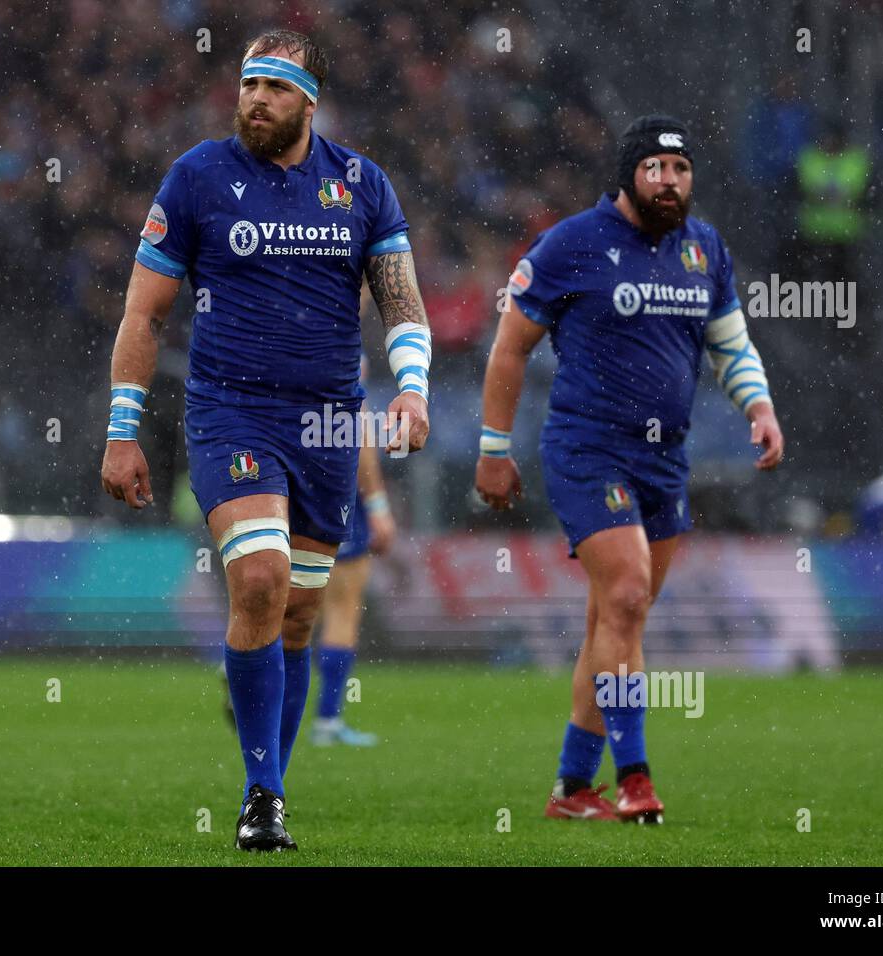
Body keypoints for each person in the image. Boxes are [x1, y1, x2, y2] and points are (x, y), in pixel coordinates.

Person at [100, 30, 432, 852]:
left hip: (325, 426)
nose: (254, 99)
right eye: (247, 84)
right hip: (230, 414)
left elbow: (403, 304)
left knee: (297, 617)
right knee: (259, 579)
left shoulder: (362, 186)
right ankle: (262, 795)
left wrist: (416, 391)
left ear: (308, 103)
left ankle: (267, 785)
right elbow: (145, 313)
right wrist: (122, 430)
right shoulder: (198, 177)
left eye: (274, 89)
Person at [474, 115, 784, 824]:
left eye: (680, 170)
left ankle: (572, 788)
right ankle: (635, 778)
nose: (670, 182)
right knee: (627, 595)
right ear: (627, 174)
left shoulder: (703, 249)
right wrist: (494, 447)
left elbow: (730, 344)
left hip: (665, 459)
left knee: (615, 619)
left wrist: (759, 407)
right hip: (588, 449)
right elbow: (510, 347)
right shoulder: (571, 244)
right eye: (655, 168)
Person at [311, 360, 397, 748]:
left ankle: (264, 710)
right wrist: (378, 506)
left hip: (283, 487)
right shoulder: (340, 344)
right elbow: (358, 431)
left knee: (282, 612)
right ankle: (326, 720)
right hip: (337, 495)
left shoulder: (274, 331)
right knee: (341, 611)